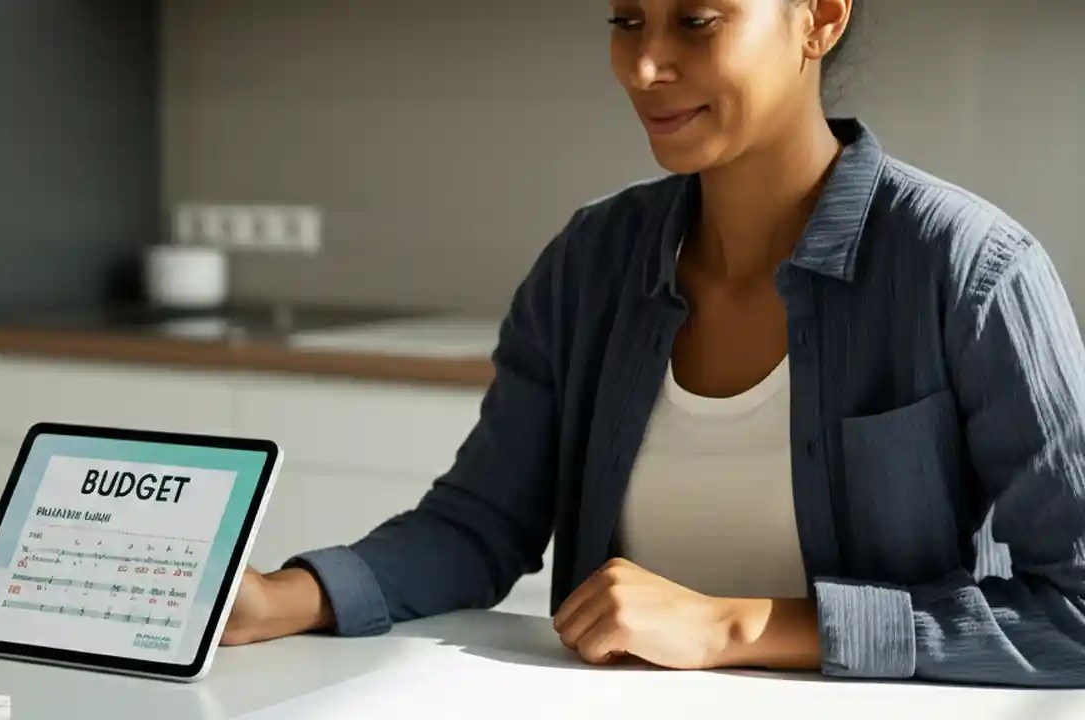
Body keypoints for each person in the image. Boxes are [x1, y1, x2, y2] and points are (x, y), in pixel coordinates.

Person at [222, 0, 1085, 687]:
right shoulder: (590, 262)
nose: (643, 66)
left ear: (820, 17)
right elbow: (480, 525)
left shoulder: (970, 270)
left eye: (697, 21)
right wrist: (281, 598)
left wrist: (735, 626)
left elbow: (1073, 610)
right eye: (627, 20)